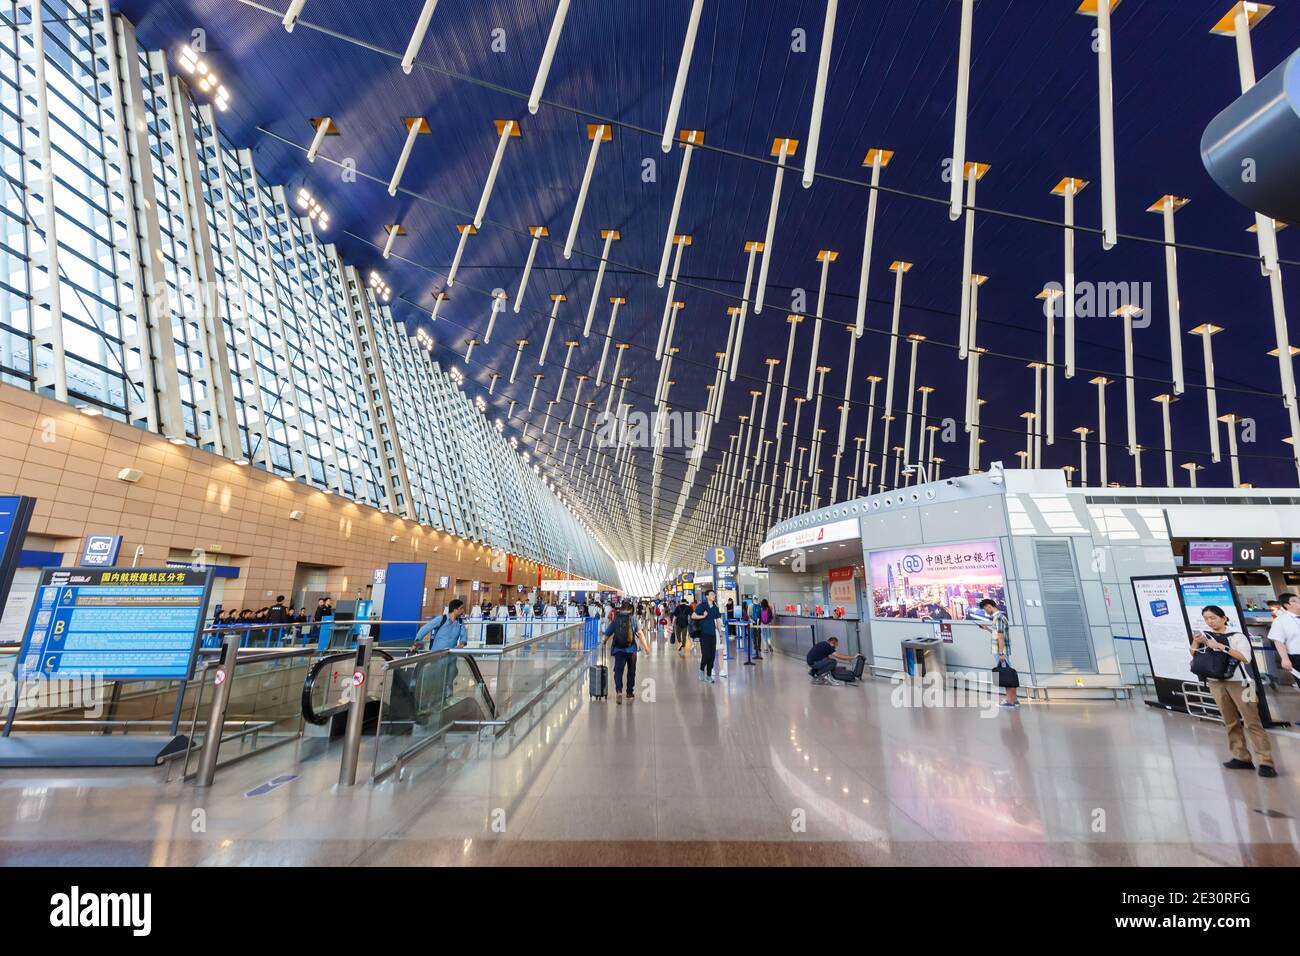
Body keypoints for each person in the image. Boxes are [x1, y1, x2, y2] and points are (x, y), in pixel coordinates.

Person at [1193, 604, 1276, 777]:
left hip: (1241, 683)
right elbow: (1195, 656)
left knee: (1252, 722)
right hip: (1216, 683)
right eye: (1206, 618)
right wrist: (1197, 642)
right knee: (1230, 721)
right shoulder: (1206, 637)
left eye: (1213, 618)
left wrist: (1220, 646)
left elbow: (1245, 658)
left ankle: (1265, 761)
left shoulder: (1237, 637)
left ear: (1224, 618)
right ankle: (1241, 757)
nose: (1210, 622)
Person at [603, 599, 650, 704]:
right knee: (631, 671)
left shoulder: (616, 619)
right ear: (630, 609)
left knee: (618, 671)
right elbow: (640, 634)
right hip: (631, 650)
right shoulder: (633, 619)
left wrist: (604, 641)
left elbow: (607, 633)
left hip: (619, 649)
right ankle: (629, 692)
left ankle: (619, 691)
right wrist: (646, 647)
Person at [977, 598, 1018, 709]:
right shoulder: (998, 617)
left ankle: (1010, 702)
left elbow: (1001, 636)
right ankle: (1014, 700)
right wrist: (986, 629)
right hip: (1001, 651)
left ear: (989, 606)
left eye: (985, 609)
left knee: (1006, 676)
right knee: (1008, 674)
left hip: (1001, 651)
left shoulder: (998, 617)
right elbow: (997, 634)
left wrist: (1001, 653)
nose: (986, 612)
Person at [1267, 591, 1300, 684]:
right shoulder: (1281, 620)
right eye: (1294, 601)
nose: (1299, 602)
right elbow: (1278, 641)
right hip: (1296, 656)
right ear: (1286, 605)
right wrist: (1284, 658)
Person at [691, 588, 723, 683]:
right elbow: (693, 616)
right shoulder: (702, 606)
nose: (714, 596)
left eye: (714, 594)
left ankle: (709, 675)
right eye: (712, 594)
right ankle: (701, 670)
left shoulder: (715, 608)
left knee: (712, 655)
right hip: (704, 634)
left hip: (713, 634)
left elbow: (718, 621)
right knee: (706, 654)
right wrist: (703, 616)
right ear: (707, 596)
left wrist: (720, 634)